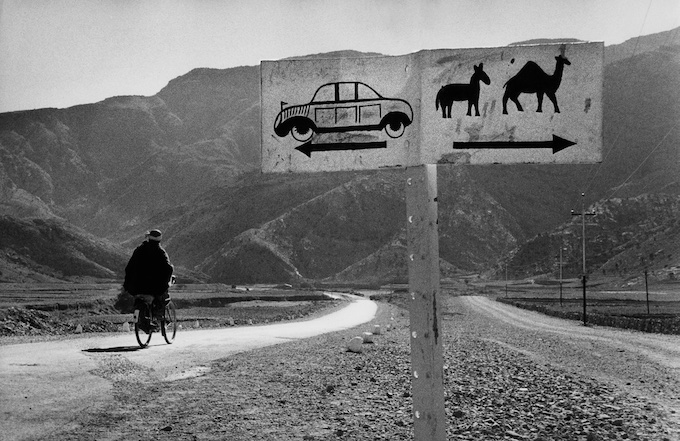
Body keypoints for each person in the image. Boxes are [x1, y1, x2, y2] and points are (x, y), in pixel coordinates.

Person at [123, 229, 174, 331]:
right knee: (162, 297)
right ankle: (158, 317)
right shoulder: (160, 252)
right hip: (153, 288)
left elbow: (129, 268)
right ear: (159, 240)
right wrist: (166, 281)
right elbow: (168, 268)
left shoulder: (139, 250)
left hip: (135, 287)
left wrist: (128, 283)